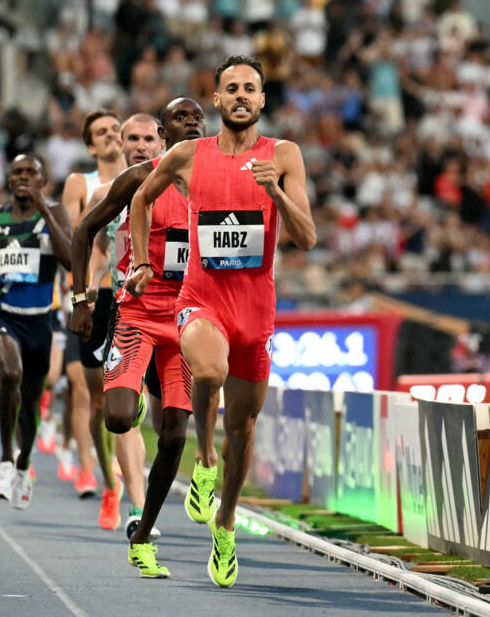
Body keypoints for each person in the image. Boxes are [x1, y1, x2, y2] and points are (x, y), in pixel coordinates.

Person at [127, 56, 317, 587]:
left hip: (255, 310)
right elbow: (140, 200)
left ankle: (227, 524)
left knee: (244, 427)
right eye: (230, 88)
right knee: (209, 371)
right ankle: (205, 458)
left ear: (262, 100)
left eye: (249, 88)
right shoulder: (188, 155)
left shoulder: (283, 154)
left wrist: (276, 192)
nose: (240, 96)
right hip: (201, 299)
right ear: (216, 99)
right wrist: (141, 262)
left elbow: (307, 237)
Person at [73, 101, 211, 577]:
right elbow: (84, 229)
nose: (191, 123)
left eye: (197, 117)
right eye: (180, 118)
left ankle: (143, 534)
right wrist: (79, 300)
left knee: (173, 435)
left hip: (186, 319)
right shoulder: (138, 178)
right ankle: (126, 397)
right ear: (163, 134)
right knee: (116, 419)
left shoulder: (215, 183)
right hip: (137, 315)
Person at [70, 111, 169, 533]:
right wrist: (88, 289)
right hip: (125, 309)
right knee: (117, 412)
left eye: (148, 139)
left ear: (162, 142)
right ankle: (137, 505)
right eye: (132, 139)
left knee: (167, 425)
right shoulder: (106, 193)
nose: (140, 146)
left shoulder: (182, 185)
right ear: (121, 145)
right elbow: (98, 246)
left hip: (176, 311)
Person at [0, 154, 73, 509]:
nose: (24, 177)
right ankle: (5, 460)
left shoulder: (55, 213)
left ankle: (25, 463)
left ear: (42, 181)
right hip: (1, 314)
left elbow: (69, 259)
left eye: (31, 173)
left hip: (39, 322)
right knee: (10, 372)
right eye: (18, 172)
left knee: (30, 405)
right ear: (9, 180)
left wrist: (44, 209)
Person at [61, 109, 126, 500]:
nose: (111, 135)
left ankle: (126, 481)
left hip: (131, 297)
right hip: (92, 297)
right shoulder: (80, 183)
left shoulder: (144, 175)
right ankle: (94, 471)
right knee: (91, 394)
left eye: (116, 128)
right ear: (90, 146)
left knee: (126, 395)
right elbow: (72, 241)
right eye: (101, 132)